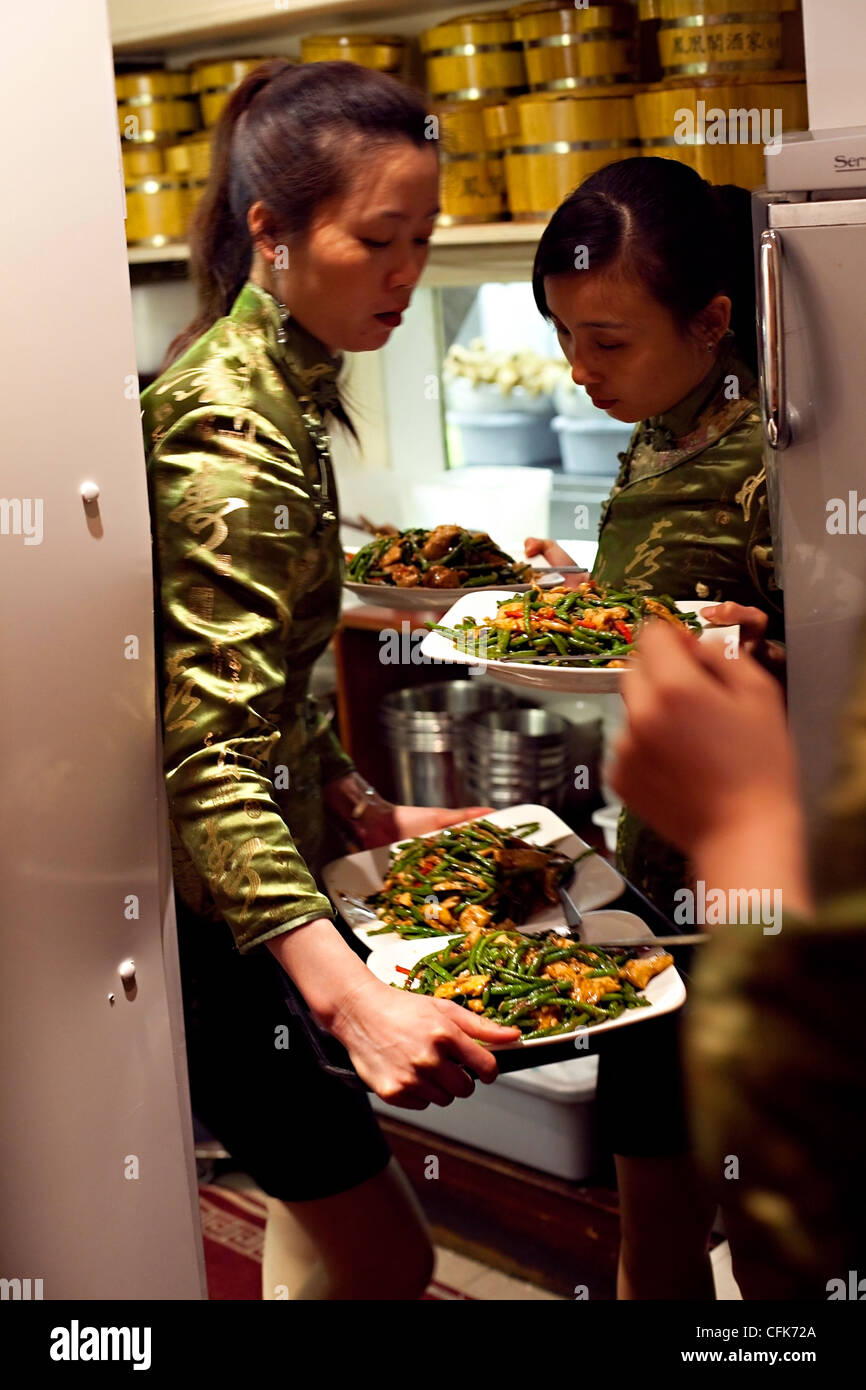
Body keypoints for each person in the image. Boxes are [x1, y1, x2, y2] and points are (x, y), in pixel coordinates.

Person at [142, 58, 520, 1302]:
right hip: (222, 922)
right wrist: (353, 999)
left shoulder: (287, 384)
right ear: (271, 232)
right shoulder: (236, 427)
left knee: (319, 1230)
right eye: (376, 240)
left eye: (423, 239)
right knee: (387, 1254)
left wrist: (366, 809)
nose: (406, 276)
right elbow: (208, 751)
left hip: (259, 887)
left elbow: (276, 689)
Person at [523, 156, 783, 1299]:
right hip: (647, 881)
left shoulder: (775, 457)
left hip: (751, 899)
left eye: (606, 341)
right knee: (651, 1215)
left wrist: (776, 655)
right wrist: (579, 594)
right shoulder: (662, 423)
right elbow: (664, 609)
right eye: (564, 338)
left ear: (711, 319)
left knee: (776, 1240)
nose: (579, 371)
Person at [609, 617, 866, 1298]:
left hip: (766, 959)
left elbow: (807, 1230)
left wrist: (738, 827)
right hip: (672, 928)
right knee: (660, 1241)